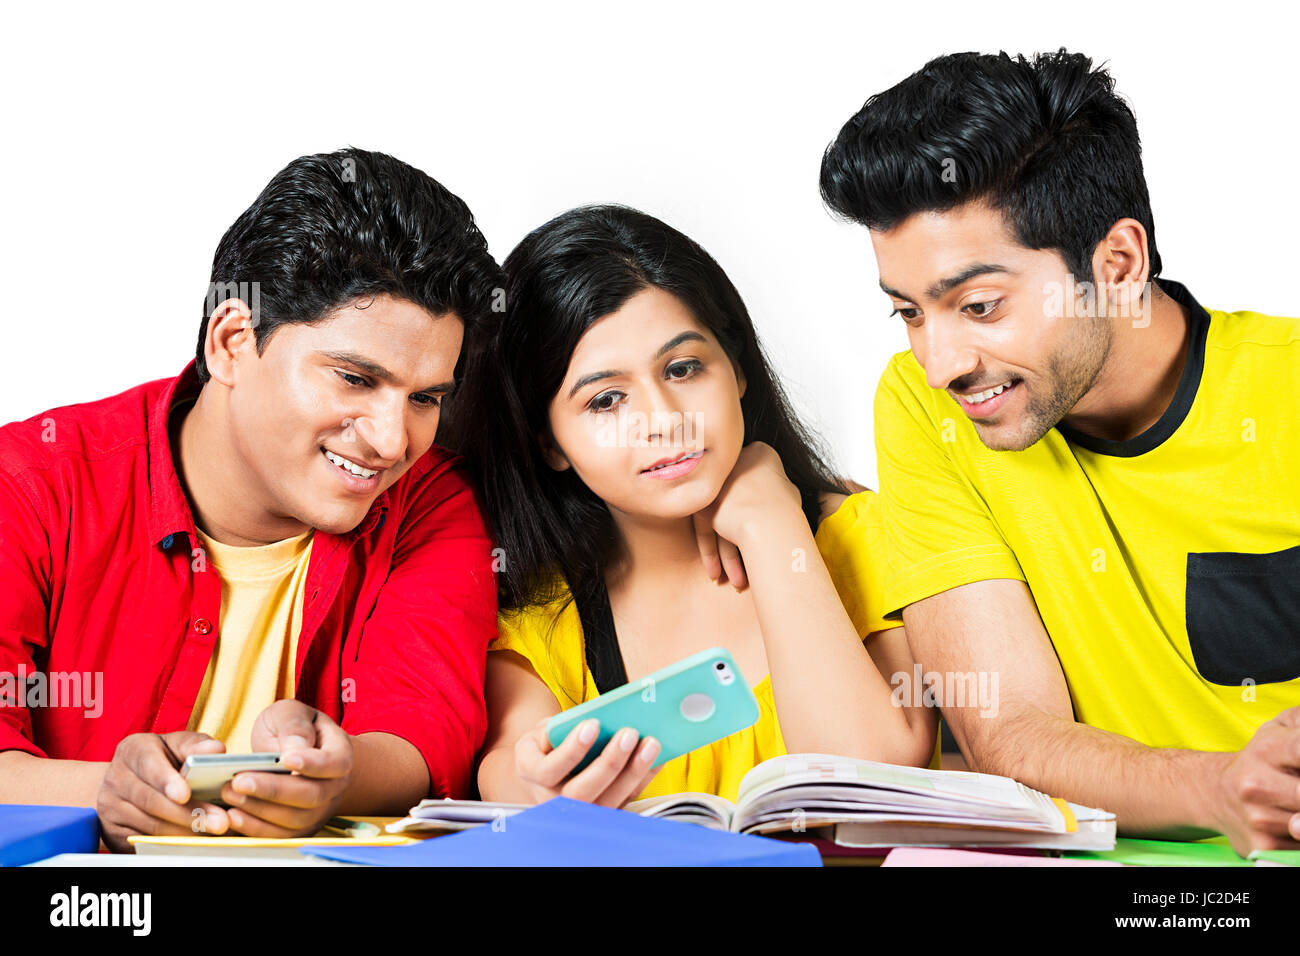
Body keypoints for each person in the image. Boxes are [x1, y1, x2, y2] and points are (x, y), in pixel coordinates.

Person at [819, 49, 1300, 855]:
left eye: (979, 305)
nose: (941, 363)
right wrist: (1219, 790)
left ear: (1116, 265)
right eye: (907, 311)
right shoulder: (925, 406)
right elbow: (1010, 730)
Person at [0, 147, 502, 851]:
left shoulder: (430, 501)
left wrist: (338, 771)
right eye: (355, 379)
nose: (392, 442)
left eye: (424, 399)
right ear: (233, 340)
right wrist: (108, 790)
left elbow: (426, 734)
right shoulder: (31, 481)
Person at [443, 204, 938, 807]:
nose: (664, 421)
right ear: (549, 443)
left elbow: (867, 776)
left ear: (737, 370)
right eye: (605, 401)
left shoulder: (865, 536)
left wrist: (773, 525)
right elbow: (509, 766)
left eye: (682, 368)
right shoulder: (544, 615)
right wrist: (535, 785)